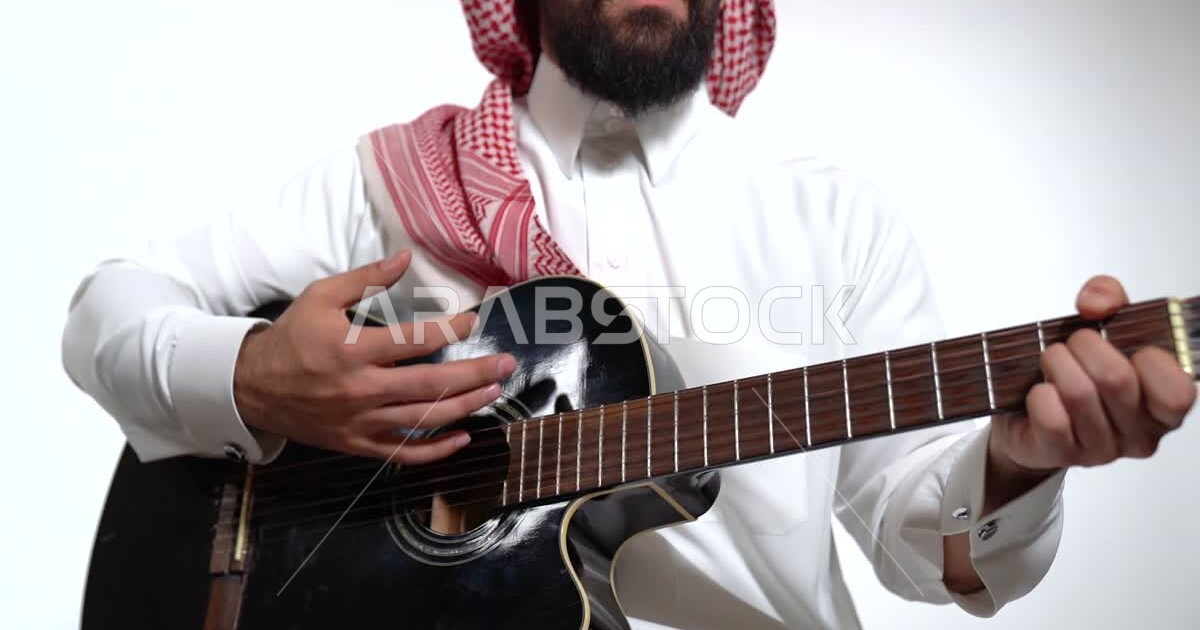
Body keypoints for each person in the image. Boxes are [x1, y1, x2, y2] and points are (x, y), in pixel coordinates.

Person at [61, 1, 1195, 628]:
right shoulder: (392, 182)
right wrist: (253, 375)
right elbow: (109, 311)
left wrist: (1012, 464)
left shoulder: (830, 220)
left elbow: (918, 544)